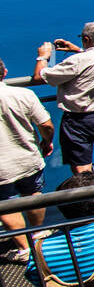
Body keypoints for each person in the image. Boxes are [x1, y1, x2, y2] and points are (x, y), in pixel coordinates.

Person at [33, 22, 94, 178]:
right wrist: (78, 50)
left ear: (86, 39)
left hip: (78, 121)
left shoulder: (77, 61)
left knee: (81, 168)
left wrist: (43, 56)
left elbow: (40, 77)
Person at [0, 58, 54, 263]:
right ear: (4, 73)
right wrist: (46, 142)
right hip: (28, 157)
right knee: (33, 194)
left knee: (5, 205)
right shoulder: (23, 94)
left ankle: (24, 250)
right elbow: (46, 124)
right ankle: (37, 235)